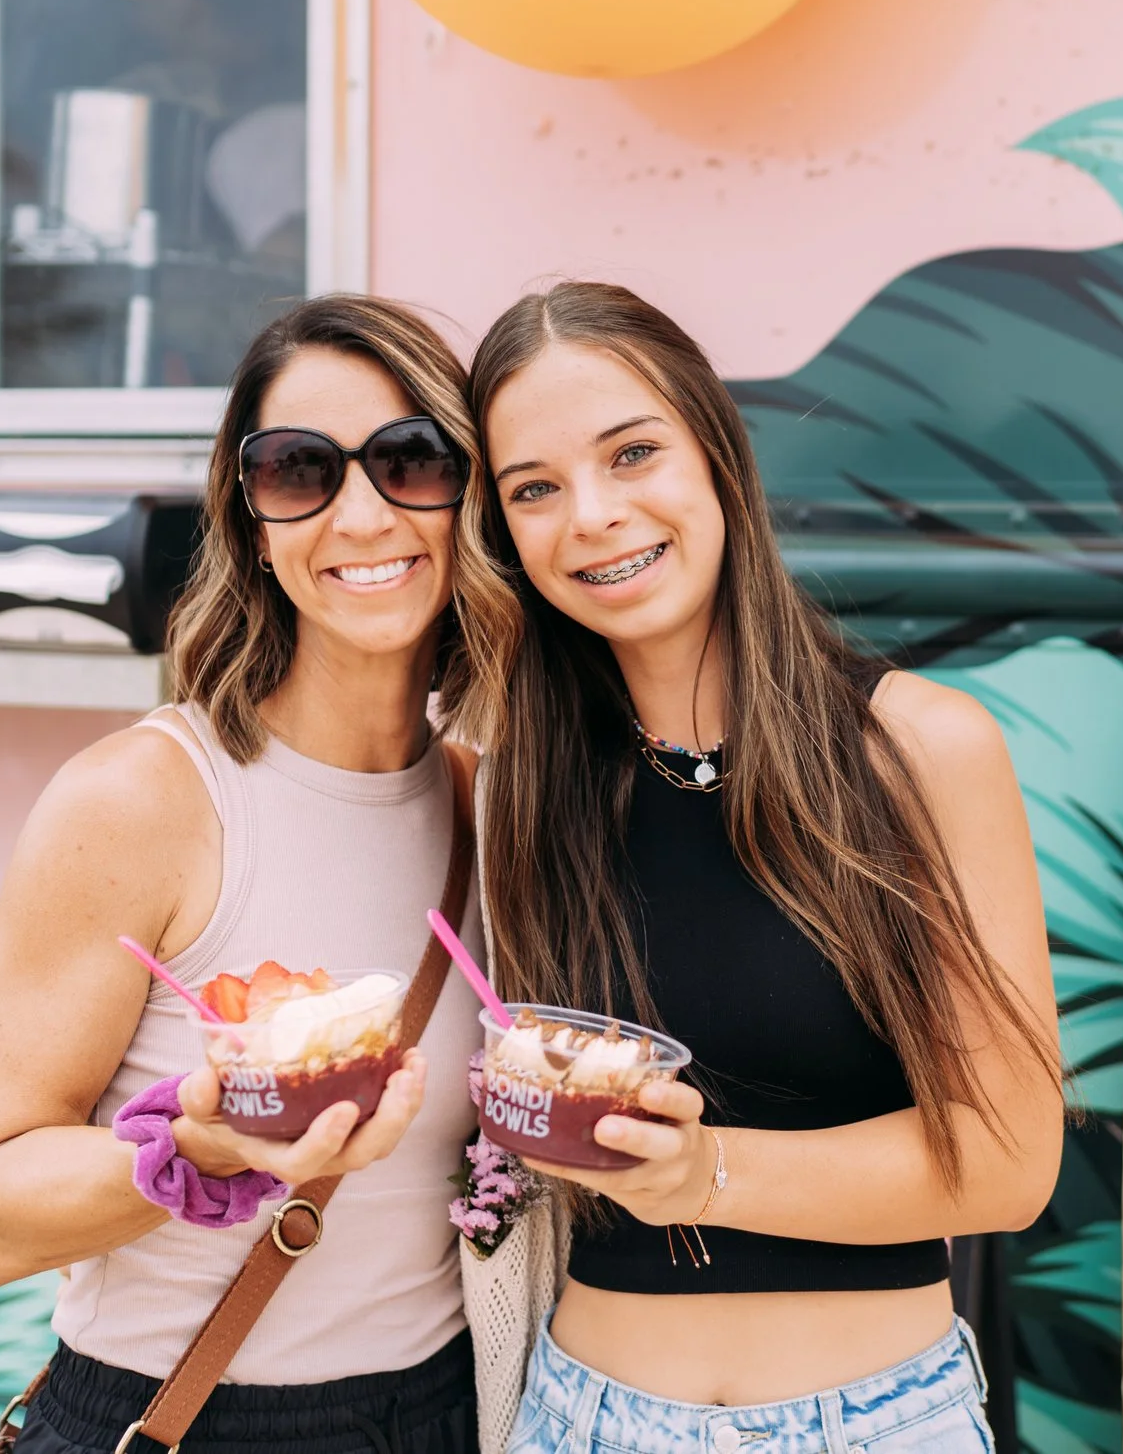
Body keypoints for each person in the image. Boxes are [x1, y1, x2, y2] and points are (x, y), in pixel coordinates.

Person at [461, 282, 1065, 1453]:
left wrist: (705, 1173)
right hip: (579, 1415)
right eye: (532, 487)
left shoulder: (919, 750)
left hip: (878, 1422)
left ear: (717, 455)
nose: (591, 514)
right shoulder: (521, 784)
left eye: (632, 452)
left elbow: (1005, 1161)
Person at [0, 294, 513, 1453]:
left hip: (450, 1411)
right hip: (190, 1419)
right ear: (253, 517)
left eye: (412, 459)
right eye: (300, 469)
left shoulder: (483, 800)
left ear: (472, 498)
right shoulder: (145, 800)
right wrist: (200, 1147)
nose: (361, 511)